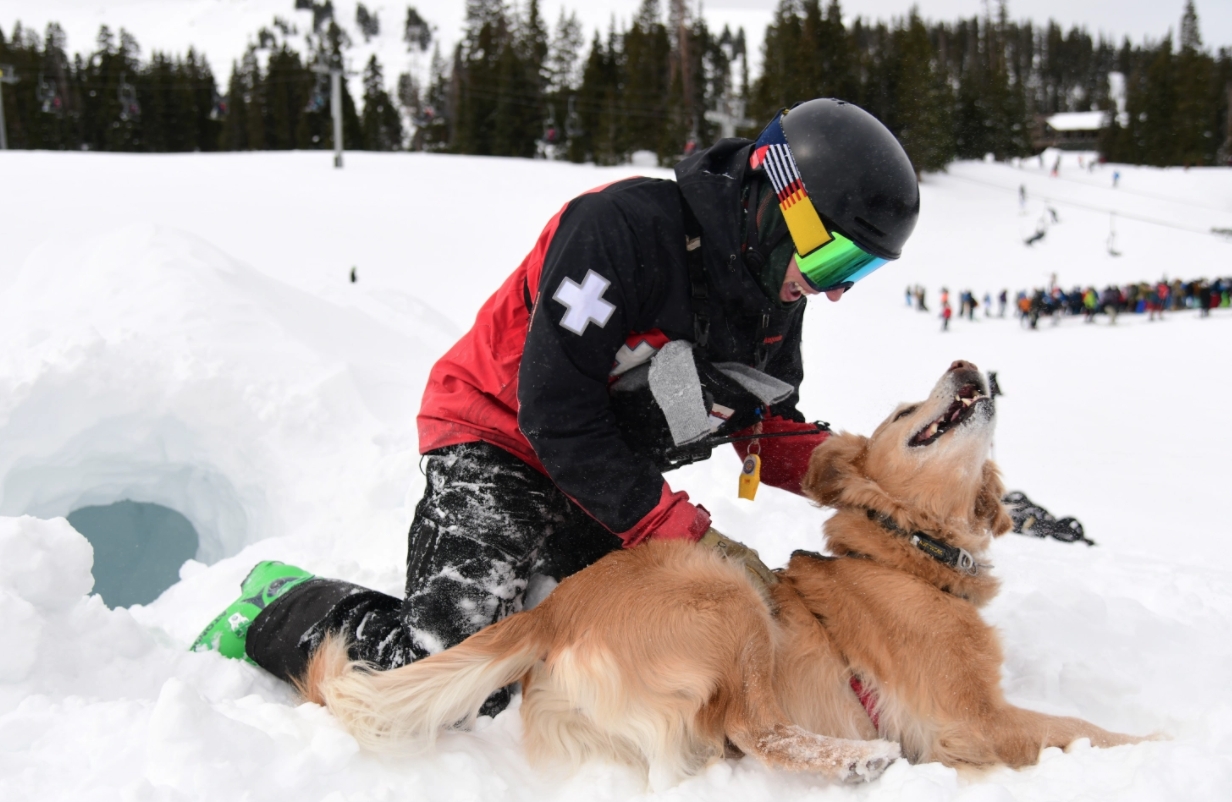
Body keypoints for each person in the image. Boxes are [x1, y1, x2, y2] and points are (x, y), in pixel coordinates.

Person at [190, 99, 921, 713]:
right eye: (831, 258)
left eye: (858, 271)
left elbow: (765, 421)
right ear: (777, 195)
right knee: (455, 677)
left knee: (633, 650)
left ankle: (539, 572)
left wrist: (876, 481)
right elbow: (555, 408)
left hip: (601, 479)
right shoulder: (624, 231)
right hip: (497, 441)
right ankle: (282, 607)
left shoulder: (770, 294)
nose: (832, 291)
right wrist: (679, 530)